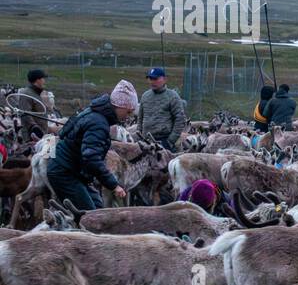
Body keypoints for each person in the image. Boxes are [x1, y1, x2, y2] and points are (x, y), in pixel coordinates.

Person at [46, 79, 137, 211]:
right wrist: (114, 185)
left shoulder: (94, 112)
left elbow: (64, 132)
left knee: (98, 211)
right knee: (88, 217)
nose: (128, 117)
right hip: (64, 173)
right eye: (128, 112)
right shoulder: (98, 123)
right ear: (120, 105)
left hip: (74, 171)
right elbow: (91, 158)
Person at [138, 66, 187, 151]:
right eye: (150, 79)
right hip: (146, 141)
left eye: (155, 79)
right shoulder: (145, 96)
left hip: (164, 141)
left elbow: (180, 119)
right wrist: (139, 135)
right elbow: (140, 117)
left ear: (164, 79)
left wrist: (170, 141)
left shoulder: (172, 96)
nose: (152, 81)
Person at [14, 69, 54, 141]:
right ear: (37, 80)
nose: (44, 81)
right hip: (32, 137)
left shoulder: (37, 93)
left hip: (41, 134)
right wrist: (34, 127)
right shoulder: (26, 93)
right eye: (43, 78)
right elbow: (24, 113)